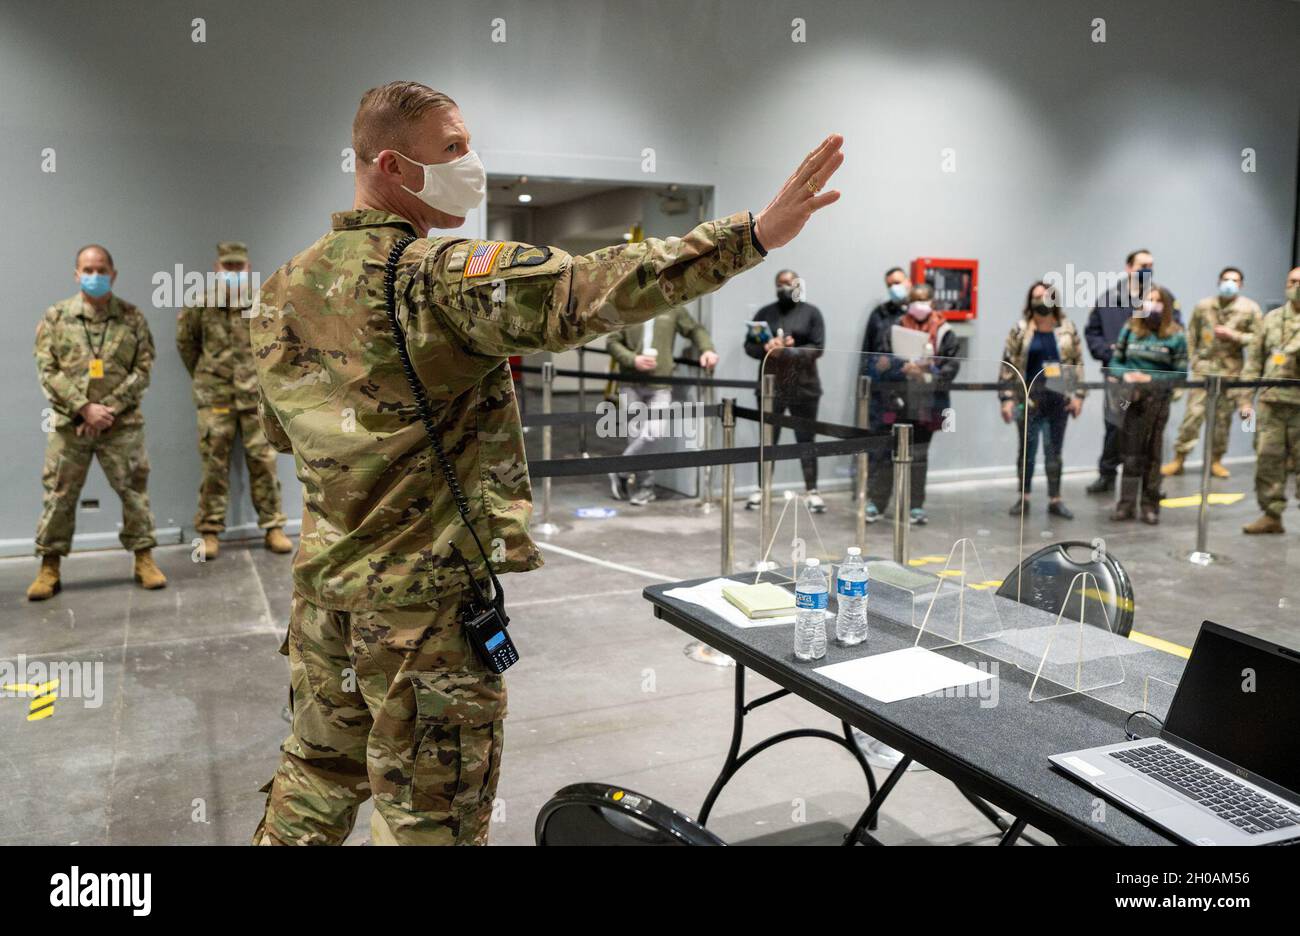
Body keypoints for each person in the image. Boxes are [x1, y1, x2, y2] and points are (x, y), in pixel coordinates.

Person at [248, 80, 844, 845]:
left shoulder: (281, 289)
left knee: (312, 782)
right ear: (392, 166)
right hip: (422, 620)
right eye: (454, 149)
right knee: (431, 821)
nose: (474, 163)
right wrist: (753, 235)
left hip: (325, 600)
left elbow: (281, 432)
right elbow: (585, 289)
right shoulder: (432, 277)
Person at [27, 244, 166, 600]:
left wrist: (108, 409)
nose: (94, 276)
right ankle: (49, 567)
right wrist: (83, 408)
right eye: (87, 270)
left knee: (134, 491)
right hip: (70, 425)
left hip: (121, 424)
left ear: (113, 274)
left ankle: (144, 560)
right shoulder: (56, 317)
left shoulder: (132, 318)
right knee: (58, 495)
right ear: (76, 275)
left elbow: (143, 368)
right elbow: (48, 370)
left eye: (101, 270)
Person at [176, 241, 291, 558]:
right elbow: (187, 345)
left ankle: (273, 527)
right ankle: (210, 531)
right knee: (214, 464)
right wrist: (207, 377)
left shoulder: (261, 304)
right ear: (217, 269)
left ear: (248, 268)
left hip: (255, 397)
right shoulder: (200, 304)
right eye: (228, 267)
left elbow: (276, 347)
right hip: (216, 396)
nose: (233, 272)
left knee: (264, 462)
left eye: (238, 267)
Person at [862, 283, 959, 525]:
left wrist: (928, 371)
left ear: (932, 302)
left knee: (919, 456)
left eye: (924, 299)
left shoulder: (946, 332)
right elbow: (879, 362)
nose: (919, 304)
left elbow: (951, 367)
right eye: (915, 299)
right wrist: (901, 367)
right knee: (886, 453)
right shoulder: (893, 328)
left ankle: (916, 506)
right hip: (894, 401)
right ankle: (877, 503)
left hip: (928, 401)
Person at [1084, 249, 1179, 494]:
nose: (1147, 269)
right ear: (1129, 268)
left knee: (1152, 434)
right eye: (1142, 265)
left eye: (1151, 265)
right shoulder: (1109, 298)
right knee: (1115, 426)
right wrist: (1108, 353)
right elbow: (1093, 332)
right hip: (1119, 379)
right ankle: (1107, 474)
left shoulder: (1162, 299)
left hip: (1153, 380)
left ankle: (1150, 485)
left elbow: (1176, 331)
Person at [606, 306, 717, 506]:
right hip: (629, 382)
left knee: (653, 434)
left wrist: (707, 349)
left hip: (660, 383)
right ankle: (645, 488)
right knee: (635, 436)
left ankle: (618, 469)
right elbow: (612, 341)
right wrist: (634, 360)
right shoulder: (627, 305)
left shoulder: (672, 307)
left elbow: (694, 329)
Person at [1161, 267, 1261, 479]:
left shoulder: (1250, 309)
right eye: (1226, 279)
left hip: (1231, 373)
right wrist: (1186, 365)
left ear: (1241, 285)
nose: (1229, 283)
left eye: (1234, 280)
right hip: (1203, 371)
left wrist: (1234, 335)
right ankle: (1179, 459)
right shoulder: (1204, 306)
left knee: (1222, 421)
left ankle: (1216, 460)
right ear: (1218, 281)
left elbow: (1259, 340)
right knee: (1192, 417)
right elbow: (1191, 337)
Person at [999, 281, 1086, 519]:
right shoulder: (1020, 329)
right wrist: (1006, 398)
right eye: (1036, 297)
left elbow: (1077, 362)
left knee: (1054, 450)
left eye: (1045, 296)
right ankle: (1024, 497)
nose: (1041, 301)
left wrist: (1078, 395)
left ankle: (1055, 499)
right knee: (1027, 449)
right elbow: (1008, 364)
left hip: (1058, 397)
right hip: (1028, 397)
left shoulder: (1067, 328)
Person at [743, 269, 827, 512]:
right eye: (780, 284)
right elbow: (749, 347)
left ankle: (812, 491)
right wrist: (768, 348)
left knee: (806, 439)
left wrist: (790, 350)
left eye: (790, 283)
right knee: (768, 440)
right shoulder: (765, 313)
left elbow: (818, 348)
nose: (785, 287)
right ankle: (762, 488)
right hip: (771, 386)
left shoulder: (812, 313)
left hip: (805, 387)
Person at [1107, 285, 1188, 524]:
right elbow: (1115, 363)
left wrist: (1152, 379)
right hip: (1130, 397)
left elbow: (1181, 374)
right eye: (1148, 300)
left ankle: (1150, 504)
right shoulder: (1130, 329)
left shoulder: (1176, 334)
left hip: (1158, 399)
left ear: (1166, 305)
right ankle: (1126, 504)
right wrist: (1128, 375)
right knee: (1130, 453)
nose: (1152, 304)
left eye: (1157, 300)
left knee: (1153, 454)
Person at [1240, 267, 1300, 535]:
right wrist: (1245, 399)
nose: (1296, 286)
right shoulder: (1271, 319)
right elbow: (1253, 361)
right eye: (1292, 281)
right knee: (1267, 459)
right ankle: (1271, 515)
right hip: (1270, 403)